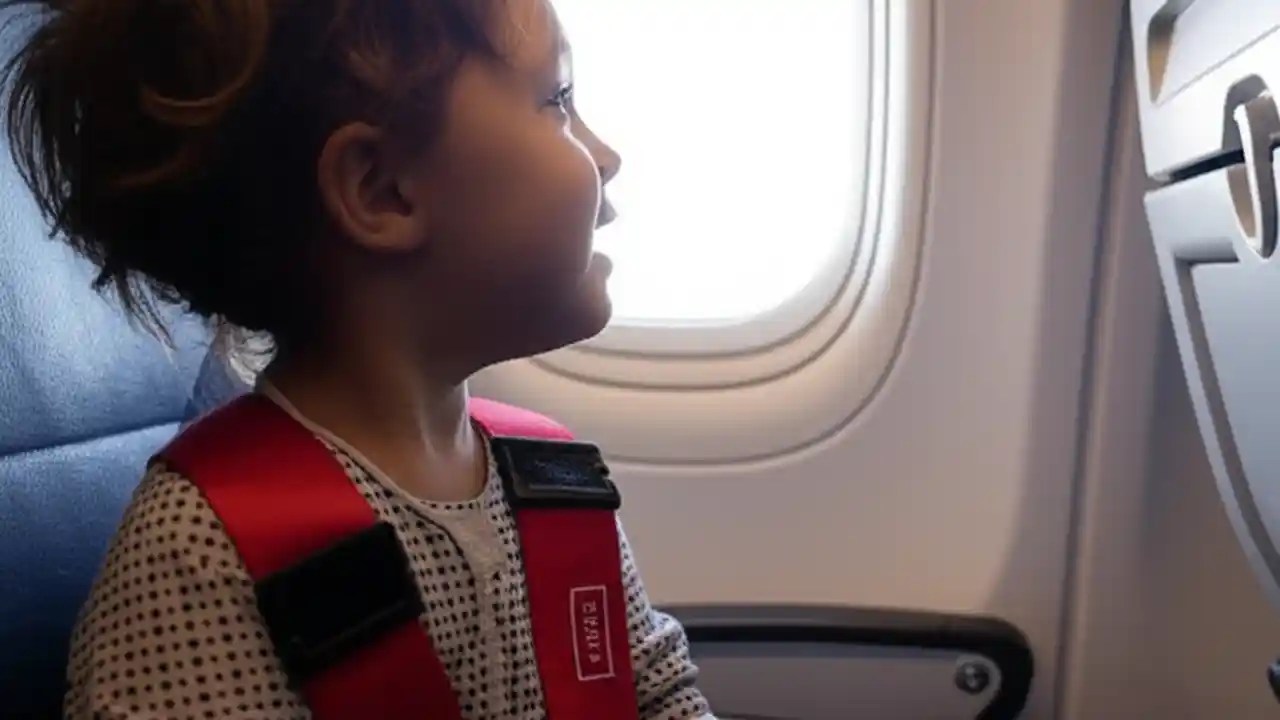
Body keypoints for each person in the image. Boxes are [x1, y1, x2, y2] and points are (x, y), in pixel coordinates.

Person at [0, 0, 713, 717]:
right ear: (383, 190)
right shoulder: (206, 551)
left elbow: (656, 695)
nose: (606, 156)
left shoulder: (553, 487)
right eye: (557, 100)